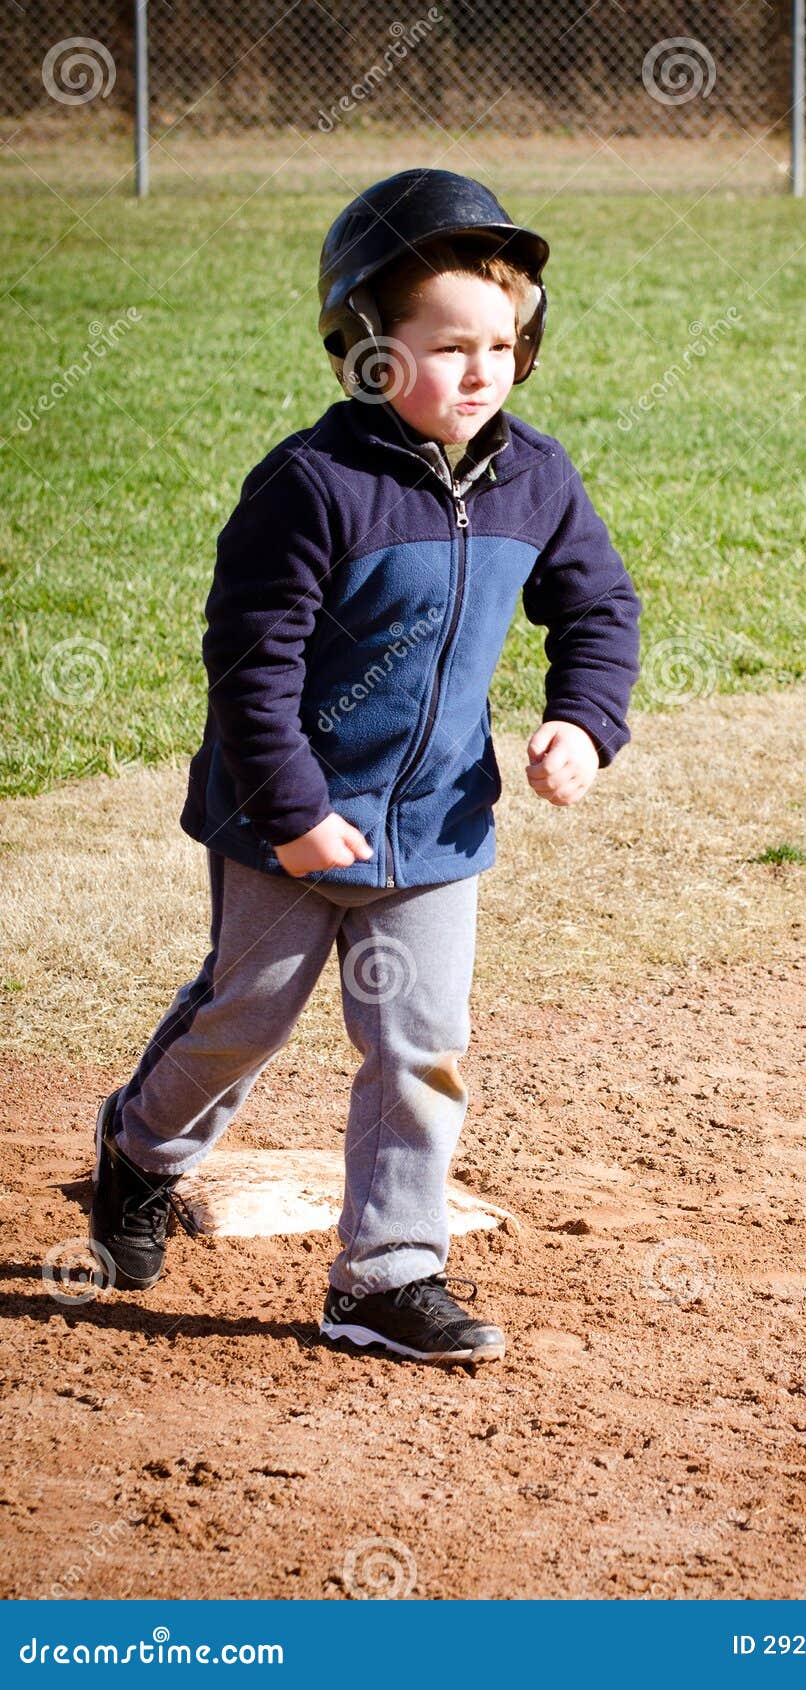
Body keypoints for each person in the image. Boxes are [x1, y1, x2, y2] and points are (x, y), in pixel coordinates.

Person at [90, 169, 641, 1366]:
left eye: (504, 342)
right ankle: (139, 1152)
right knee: (242, 1022)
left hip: (435, 831)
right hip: (283, 823)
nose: (483, 369)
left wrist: (584, 722)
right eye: (449, 346)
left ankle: (386, 1276)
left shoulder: (535, 477)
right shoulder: (311, 486)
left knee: (417, 1043)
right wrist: (293, 814)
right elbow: (250, 666)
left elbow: (598, 606)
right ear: (367, 353)